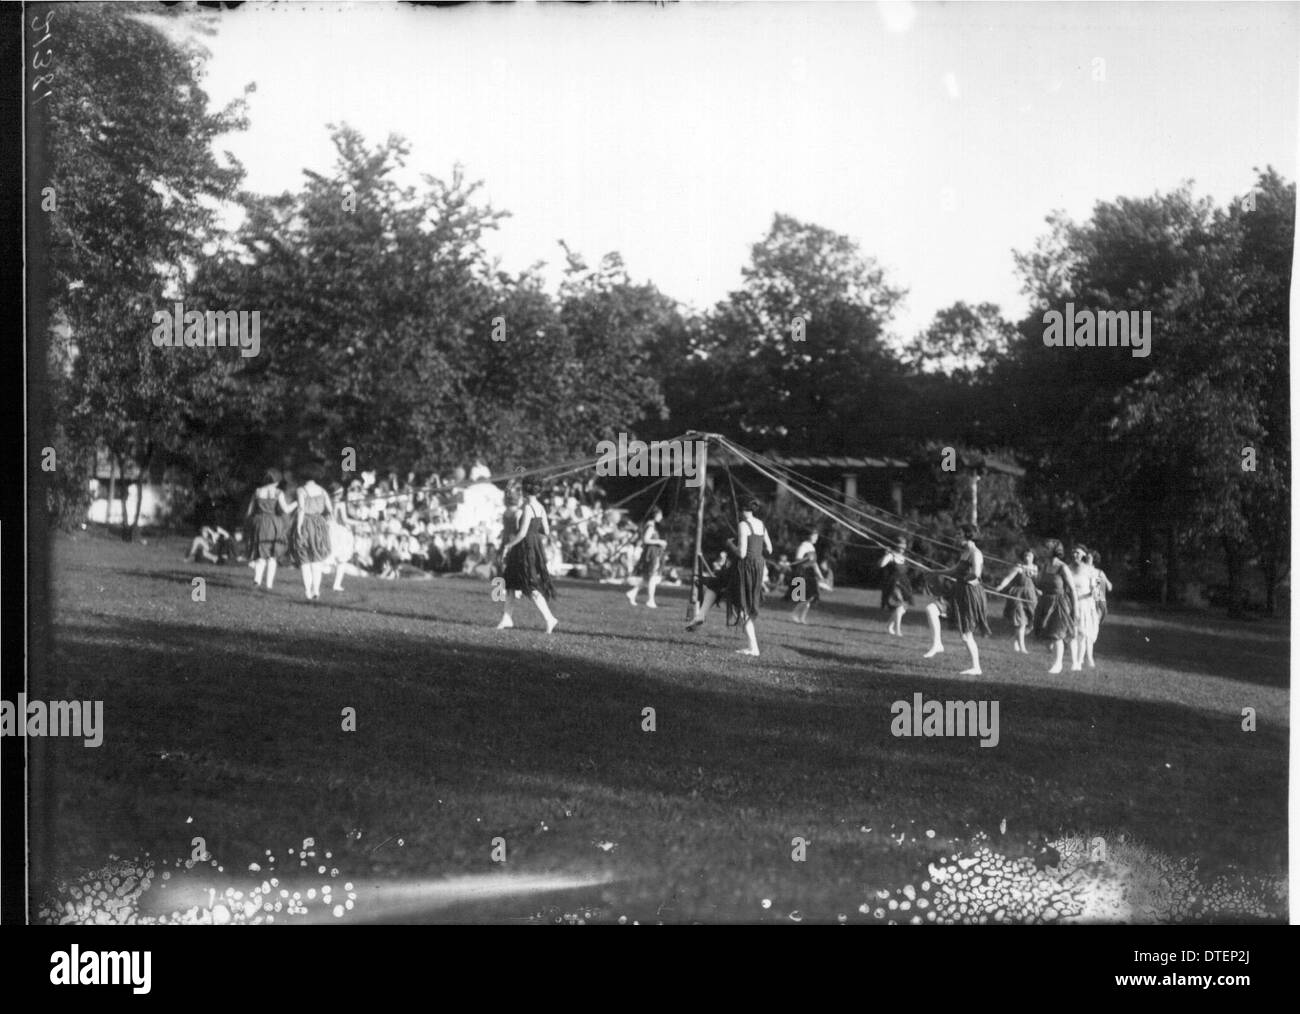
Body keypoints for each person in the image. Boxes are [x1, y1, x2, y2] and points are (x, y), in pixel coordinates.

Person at [686, 498, 771, 656]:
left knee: (741, 606)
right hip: (757, 568)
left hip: (743, 568)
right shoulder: (762, 525)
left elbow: (742, 553)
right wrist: (756, 554)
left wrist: (730, 544)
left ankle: (754, 648)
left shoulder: (743, 525)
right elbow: (770, 549)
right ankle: (701, 615)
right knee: (717, 583)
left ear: (743, 511)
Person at [498, 477, 559, 633]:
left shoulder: (527, 507)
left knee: (529, 586)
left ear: (525, 491)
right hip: (533, 547)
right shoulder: (541, 507)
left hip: (524, 548)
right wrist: (534, 527)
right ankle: (507, 618)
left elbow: (522, 533)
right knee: (511, 583)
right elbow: (546, 530)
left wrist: (508, 545)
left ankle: (550, 618)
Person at [931, 524, 991, 675]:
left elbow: (976, 574)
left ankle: (976, 667)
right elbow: (954, 570)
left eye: (959, 534)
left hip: (970, 593)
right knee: (964, 633)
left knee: (966, 634)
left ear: (968, 535)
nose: (957, 537)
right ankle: (976, 667)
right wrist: (937, 572)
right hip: (961, 590)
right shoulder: (965, 553)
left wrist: (962, 579)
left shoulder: (975, 553)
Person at [244, 469, 296, 591]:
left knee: (260, 552)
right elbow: (286, 510)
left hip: (259, 522)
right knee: (272, 554)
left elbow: (249, 512)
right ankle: (269, 584)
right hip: (273, 523)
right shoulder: (278, 493)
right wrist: (297, 503)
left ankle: (257, 580)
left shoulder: (257, 492)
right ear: (277, 481)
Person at [1033, 538, 1079, 674]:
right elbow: (1040, 585)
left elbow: (1072, 590)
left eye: (1047, 548)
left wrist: (1075, 611)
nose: (1044, 550)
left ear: (1054, 551)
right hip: (1045, 603)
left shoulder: (1062, 567)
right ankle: (1058, 655)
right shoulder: (1045, 566)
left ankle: (1058, 664)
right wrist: (1033, 578)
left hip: (1060, 604)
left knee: (1056, 634)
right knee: (1047, 638)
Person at [291, 463, 333, 601]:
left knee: (304, 560)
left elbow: (301, 509)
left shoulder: (301, 490)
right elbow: (330, 509)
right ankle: (316, 591)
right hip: (319, 525)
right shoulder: (322, 490)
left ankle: (307, 591)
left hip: (306, 524)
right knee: (317, 559)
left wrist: (298, 526)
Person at [996, 548, 1039, 653]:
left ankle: (1017, 639)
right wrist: (1001, 586)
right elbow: (1008, 578)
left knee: (1032, 622)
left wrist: (1038, 589)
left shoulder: (1035, 568)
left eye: (1029, 555)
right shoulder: (1019, 567)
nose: (1027, 558)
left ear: (1033, 557)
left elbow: (1036, 582)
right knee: (1021, 622)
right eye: (1025, 556)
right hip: (1018, 595)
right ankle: (1023, 648)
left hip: (1031, 596)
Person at [626, 507, 668, 608]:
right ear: (655, 515)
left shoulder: (651, 525)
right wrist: (659, 541)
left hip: (653, 552)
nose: (661, 517)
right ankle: (650, 600)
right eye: (660, 515)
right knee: (652, 577)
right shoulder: (650, 526)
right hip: (651, 553)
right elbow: (646, 540)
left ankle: (632, 593)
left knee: (647, 578)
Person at [1069, 543, 1100, 670]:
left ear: (1083, 554)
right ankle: (1074, 662)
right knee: (1072, 634)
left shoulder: (1090, 570)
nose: (1075, 554)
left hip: (1084, 605)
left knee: (1082, 634)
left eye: (1078, 552)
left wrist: (1094, 591)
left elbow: (1096, 589)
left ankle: (1079, 661)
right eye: (1073, 552)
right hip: (1070, 603)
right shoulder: (1067, 568)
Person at [786, 530, 829, 625]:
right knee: (807, 596)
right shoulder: (803, 546)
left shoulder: (812, 547)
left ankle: (801, 618)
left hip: (810, 573)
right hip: (803, 573)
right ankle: (794, 614)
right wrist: (806, 560)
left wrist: (820, 576)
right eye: (815, 536)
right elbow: (797, 560)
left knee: (811, 597)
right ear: (809, 535)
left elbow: (814, 563)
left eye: (817, 536)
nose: (816, 538)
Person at [879, 536, 915, 636]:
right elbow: (881, 564)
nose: (902, 549)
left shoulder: (905, 557)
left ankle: (889, 626)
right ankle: (898, 630)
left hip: (904, 584)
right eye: (900, 546)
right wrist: (887, 555)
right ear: (896, 546)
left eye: (903, 546)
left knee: (903, 609)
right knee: (900, 606)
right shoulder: (891, 556)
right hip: (894, 584)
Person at [1091, 550, 1113, 625]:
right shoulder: (1083, 570)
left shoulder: (1099, 572)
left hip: (1097, 601)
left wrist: (1102, 583)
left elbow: (1109, 587)